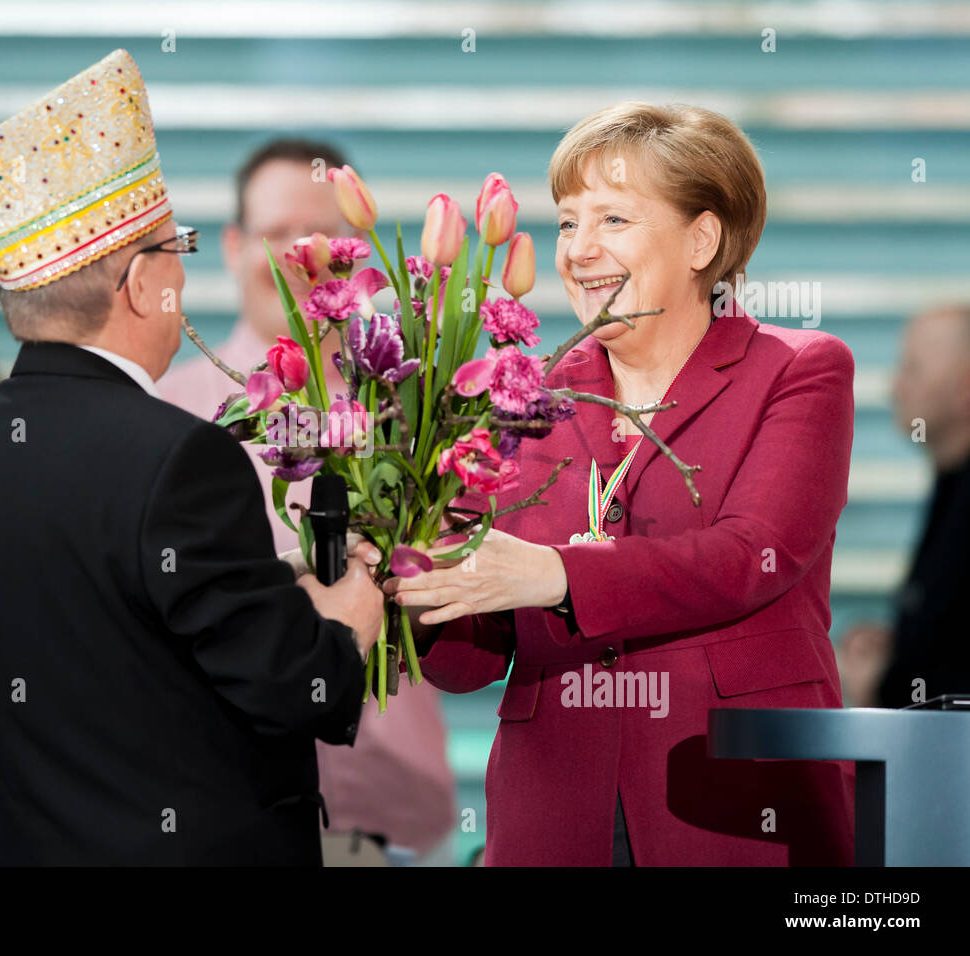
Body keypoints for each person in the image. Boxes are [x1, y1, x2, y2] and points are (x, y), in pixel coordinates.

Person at [0, 50, 385, 866]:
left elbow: (127, 640)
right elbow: (289, 688)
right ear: (140, 284)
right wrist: (343, 626)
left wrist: (279, 599)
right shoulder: (180, 456)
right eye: (180, 249)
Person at [387, 102, 856, 866]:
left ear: (702, 239)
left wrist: (553, 573)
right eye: (569, 222)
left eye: (613, 219)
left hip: (738, 797)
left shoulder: (800, 369)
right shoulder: (519, 394)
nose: (579, 250)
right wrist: (420, 592)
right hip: (554, 807)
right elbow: (474, 658)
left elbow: (754, 555)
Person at [159, 138, 456, 865]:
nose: (298, 255)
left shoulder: (413, 411)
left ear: (356, 252)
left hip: (379, 818)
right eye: (274, 234)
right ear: (230, 247)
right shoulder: (164, 419)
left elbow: (462, 586)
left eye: (320, 236)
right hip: (212, 812)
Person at [837, 305, 970, 708]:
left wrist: (882, 684)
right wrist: (900, 649)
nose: (894, 388)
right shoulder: (949, 480)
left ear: (965, 388)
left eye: (912, 370)